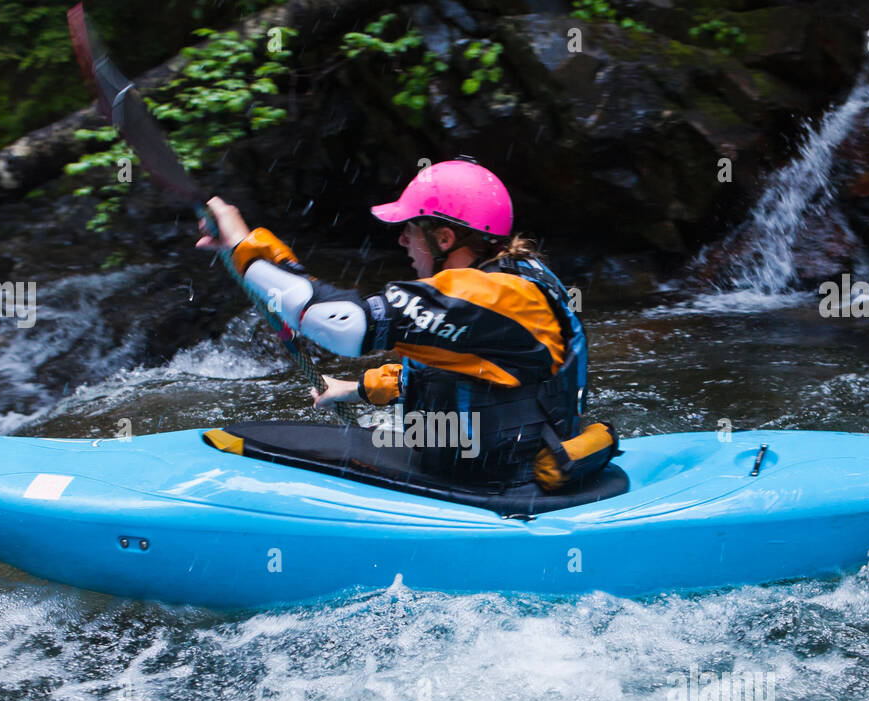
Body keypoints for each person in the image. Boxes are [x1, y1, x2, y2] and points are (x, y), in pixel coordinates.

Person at [199, 157, 617, 492]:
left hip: (498, 485)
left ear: (446, 239)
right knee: (249, 436)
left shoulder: (487, 294)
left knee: (244, 440)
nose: (401, 241)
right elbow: (471, 371)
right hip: (491, 466)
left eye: (411, 229)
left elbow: (342, 325)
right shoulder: (506, 283)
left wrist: (242, 245)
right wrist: (358, 388)